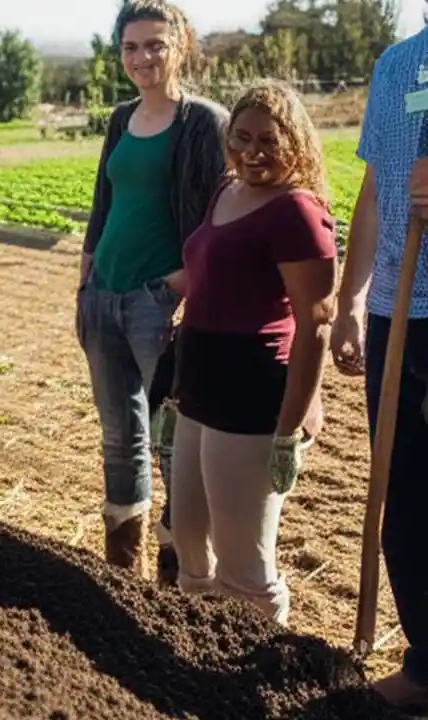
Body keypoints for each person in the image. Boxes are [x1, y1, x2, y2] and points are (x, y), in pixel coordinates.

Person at [169, 82, 334, 627]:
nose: (253, 152)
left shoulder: (297, 212)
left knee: (244, 569)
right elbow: (208, 276)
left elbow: (314, 325)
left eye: (270, 139)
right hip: (199, 391)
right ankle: (191, 655)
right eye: (241, 138)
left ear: (296, 143)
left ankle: (259, 677)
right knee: (188, 543)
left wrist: (288, 431)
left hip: (251, 400)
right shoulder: (226, 190)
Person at [76, 0, 228, 579]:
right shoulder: (121, 119)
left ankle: (179, 560)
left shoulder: (202, 122)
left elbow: (219, 215)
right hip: (104, 297)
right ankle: (124, 566)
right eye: (131, 47)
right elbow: (104, 202)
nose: (143, 58)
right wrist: (86, 275)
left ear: (180, 45)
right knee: (120, 435)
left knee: (172, 438)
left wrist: (179, 285)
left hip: (153, 300)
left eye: (155, 45)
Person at [332, 24, 428, 711]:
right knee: (407, 498)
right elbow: (372, 187)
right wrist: (350, 300)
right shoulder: (396, 65)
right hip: (396, 310)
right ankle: (426, 664)